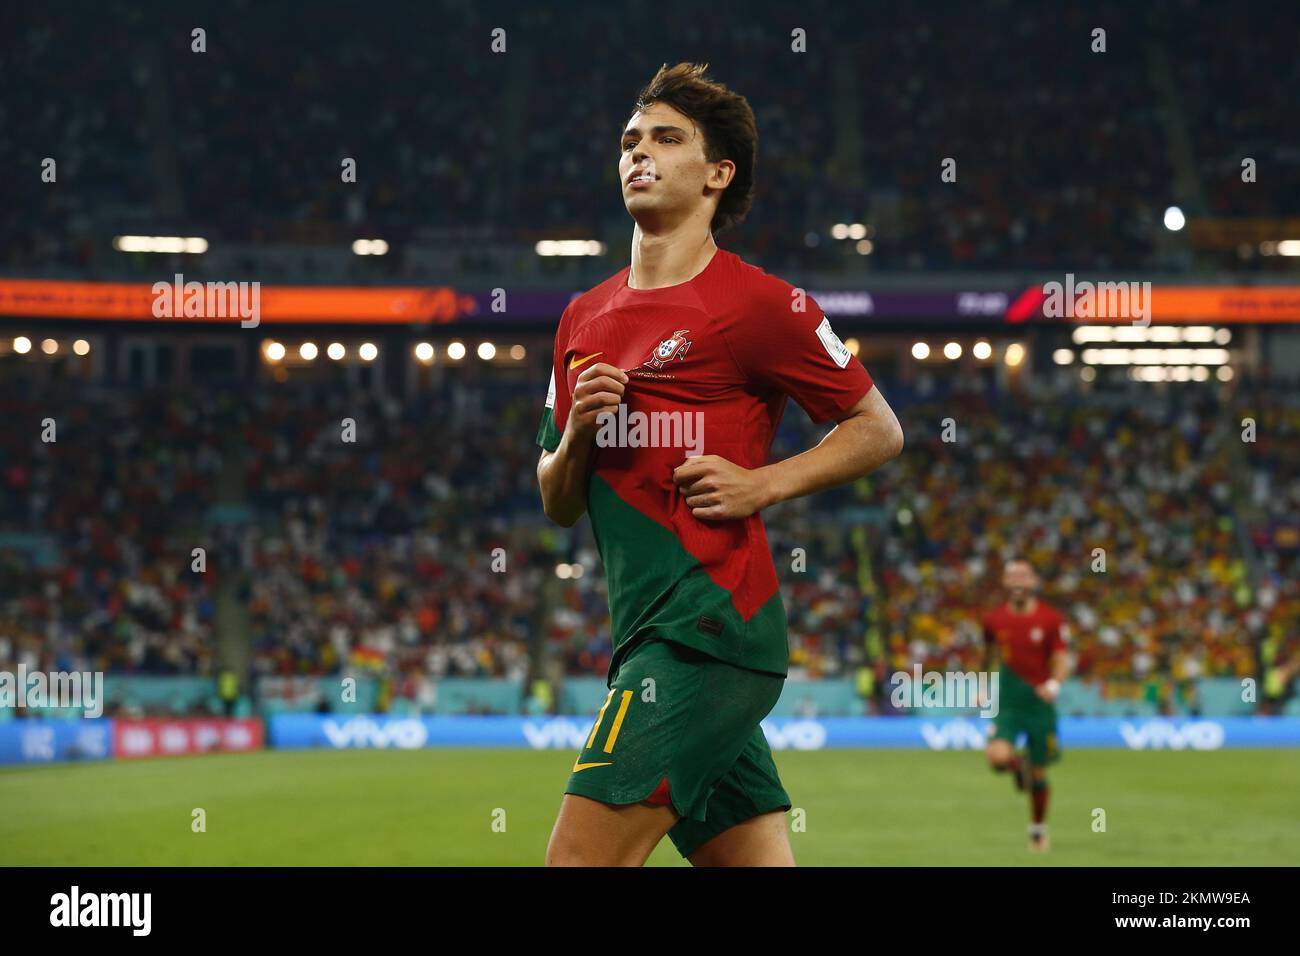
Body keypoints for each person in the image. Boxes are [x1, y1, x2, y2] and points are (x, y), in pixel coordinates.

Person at [536, 62, 904, 866]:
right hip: (645, 633)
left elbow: (878, 428)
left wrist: (764, 483)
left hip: (706, 632)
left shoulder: (762, 304)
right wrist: (581, 436)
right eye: (631, 140)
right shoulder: (580, 317)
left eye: (667, 140)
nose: (640, 154)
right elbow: (558, 500)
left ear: (716, 174)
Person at [982, 560, 1072, 852]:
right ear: (1005, 583)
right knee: (996, 757)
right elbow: (988, 655)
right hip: (1009, 703)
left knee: (1039, 776)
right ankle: (1017, 765)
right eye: (1011, 576)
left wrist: (1055, 684)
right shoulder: (993, 620)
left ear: (1034, 581)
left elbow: (1061, 657)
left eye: (1023, 575)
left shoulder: (1051, 619)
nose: (1017, 580)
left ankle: (1037, 830)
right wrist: (982, 687)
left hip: (1039, 705)